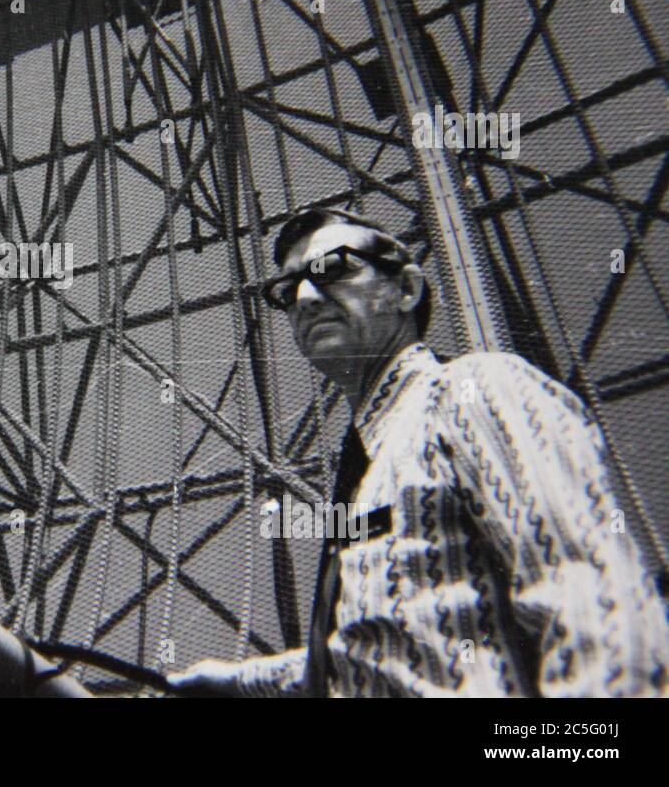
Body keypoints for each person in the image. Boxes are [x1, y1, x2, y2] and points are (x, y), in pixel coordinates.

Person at [168, 206, 669, 696]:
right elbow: (384, 655)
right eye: (286, 289)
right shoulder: (369, 466)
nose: (304, 296)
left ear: (406, 289)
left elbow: (594, 601)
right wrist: (240, 684)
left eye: (332, 269)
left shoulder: (474, 391)